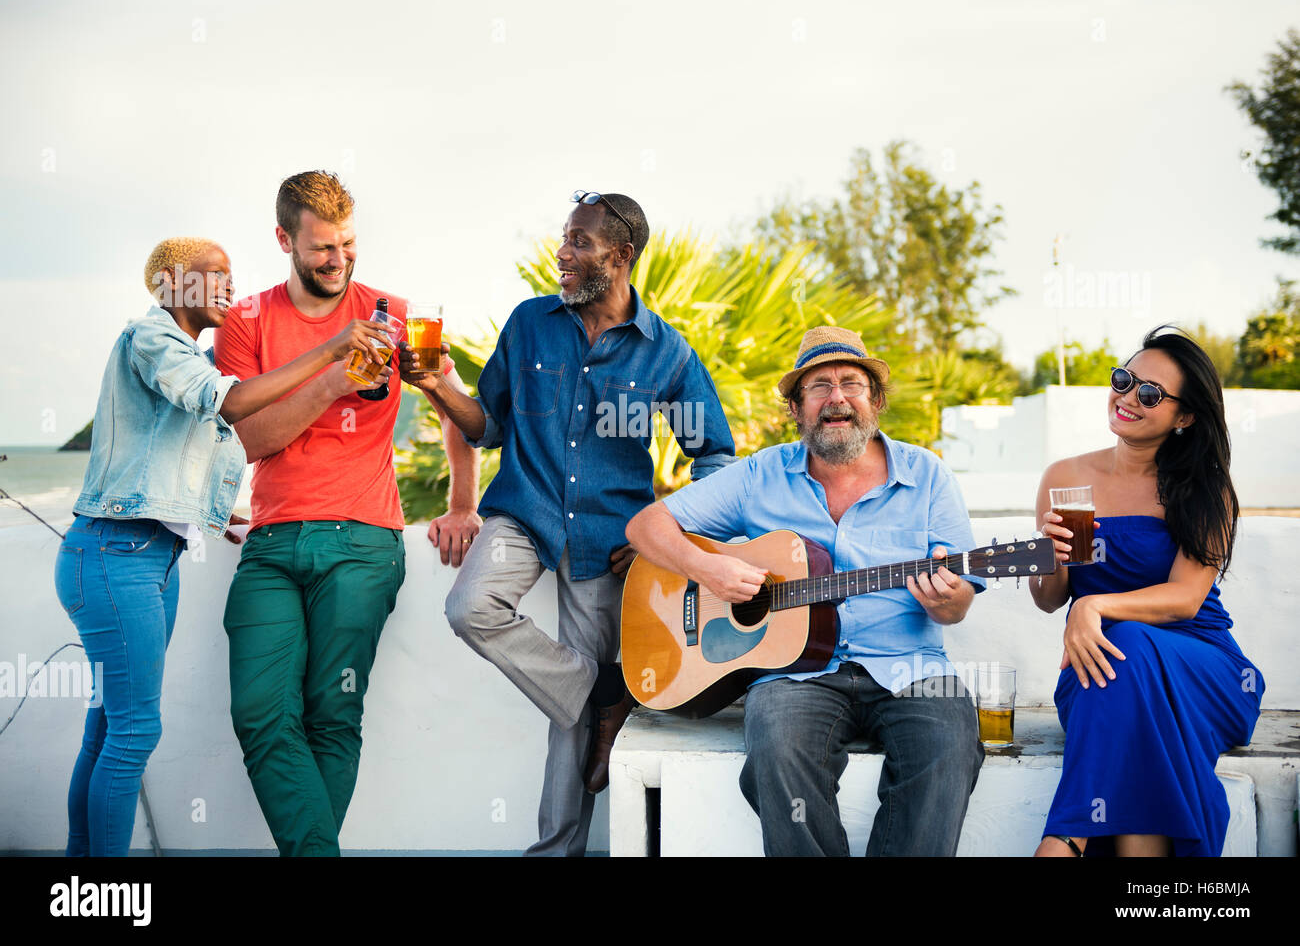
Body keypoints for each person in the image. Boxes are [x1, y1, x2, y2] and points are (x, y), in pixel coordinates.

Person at [399, 191, 735, 855]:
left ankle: (556, 851)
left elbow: (716, 457)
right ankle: (602, 689)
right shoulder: (530, 323)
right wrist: (435, 384)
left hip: (612, 537)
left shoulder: (665, 352)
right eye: (564, 239)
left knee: (569, 729)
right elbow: (488, 425)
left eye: (579, 241)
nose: (563, 253)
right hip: (524, 510)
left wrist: (668, 541)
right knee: (471, 606)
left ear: (621, 254)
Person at [56, 236, 392, 856]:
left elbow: (176, 452)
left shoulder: (188, 353)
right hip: (113, 555)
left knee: (108, 727)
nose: (230, 287)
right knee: (133, 733)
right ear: (171, 285)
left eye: (232, 275)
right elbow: (232, 402)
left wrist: (210, 515)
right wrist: (333, 348)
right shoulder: (150, 338)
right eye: (213, 275)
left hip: (151, 555)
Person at [625, 326, 986, 856]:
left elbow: (958, 605)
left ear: (876, 400)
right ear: (797, 407)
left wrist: (947, 598)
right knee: (777, 751)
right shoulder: (758, 475)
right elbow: (645, 526)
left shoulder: (927, 475)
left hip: (910, 665)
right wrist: (705, 568)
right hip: (795, 674)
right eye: (819, 386)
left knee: (950, 747)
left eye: (851, 384)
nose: (836, 398)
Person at [212, 171, 480, 856]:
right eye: (323, 248)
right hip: (272, 544)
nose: (339, 260)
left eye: (349, 244)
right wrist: (335, 378)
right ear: (285, 240)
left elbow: (461, 410)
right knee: (261, 712)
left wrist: (460, 501)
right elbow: (249, 438)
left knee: (333, 713)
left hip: (364, 544)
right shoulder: (246, 321)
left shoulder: (392, 312)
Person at [1029, 327, 1264, 858]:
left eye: (1150, 393)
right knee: (1126, 662)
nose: (1128, 397)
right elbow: (1048, 598)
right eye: (1123, 380)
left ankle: (1067, 837)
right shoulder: (1065, 477)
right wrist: (1051, 559)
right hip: (1102, 673)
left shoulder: (1207, 489)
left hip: (1202, 667)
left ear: (1184, 416)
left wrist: (1095, 605)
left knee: (1130, 641)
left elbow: (1184, 599)